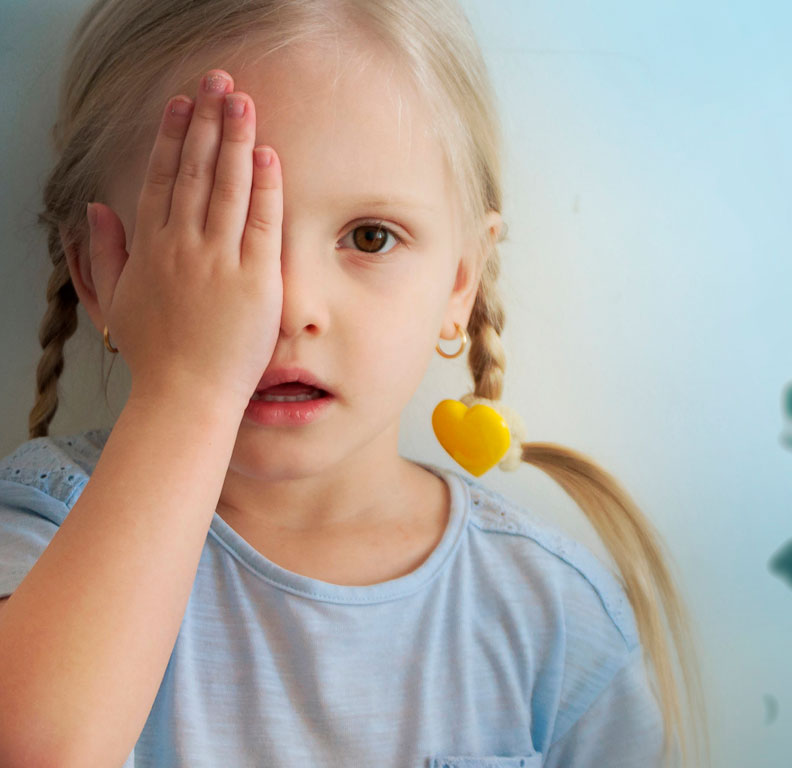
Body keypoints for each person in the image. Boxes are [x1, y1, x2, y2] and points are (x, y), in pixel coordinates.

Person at [0, 1, 708, 766]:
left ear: (461, 280)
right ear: (97, 273)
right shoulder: (43, 531)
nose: (292, 306)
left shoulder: (549, 614)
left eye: (371, 237)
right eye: (221, 235)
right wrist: (189, 385)